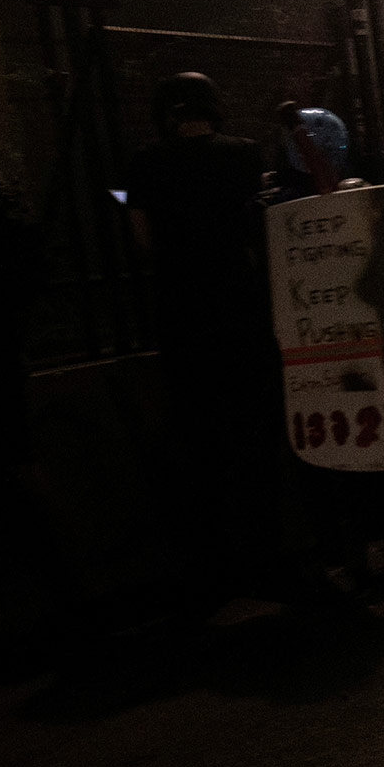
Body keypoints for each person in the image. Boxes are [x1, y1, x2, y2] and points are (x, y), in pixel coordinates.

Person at [125, 72, 284, 599]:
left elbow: (142, 239)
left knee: (199, 437)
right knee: (254, 429)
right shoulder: (243, 154)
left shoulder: (144, 162)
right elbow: (260, 227)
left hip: (179, 311)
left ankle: (212, 567)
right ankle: (270, 554)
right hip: (238, 305)